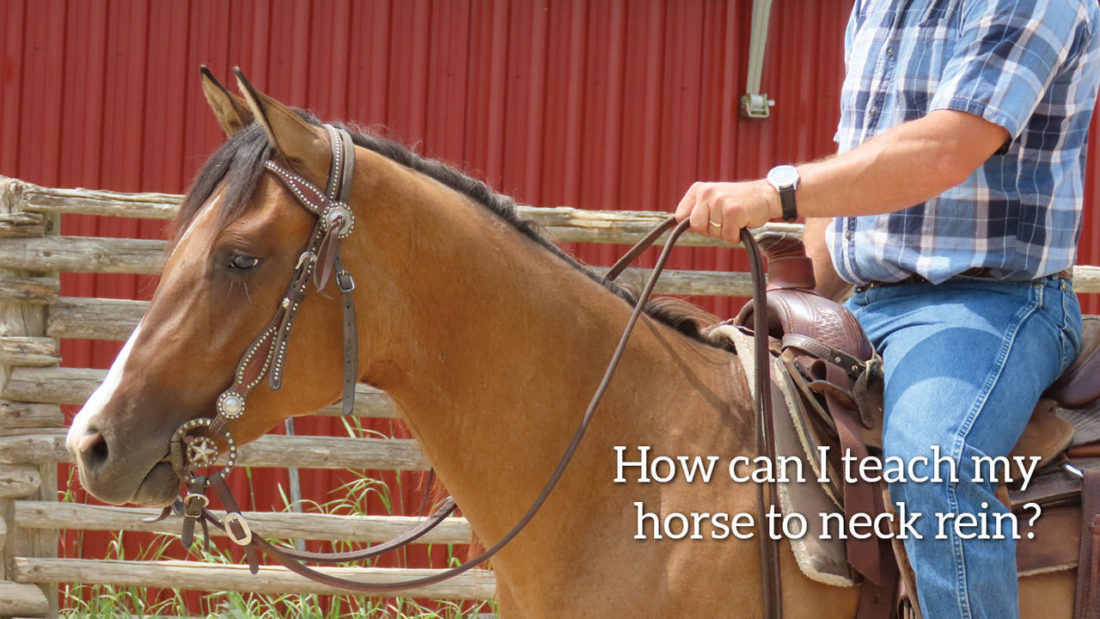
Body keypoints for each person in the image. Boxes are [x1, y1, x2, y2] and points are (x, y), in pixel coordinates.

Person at [675, 1, 1100, 616]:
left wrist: (776, 194)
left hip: (991, 304)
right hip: (865, 299)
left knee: (935, 469)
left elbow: (946, 149)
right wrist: (800, 301)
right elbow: (857, 166)